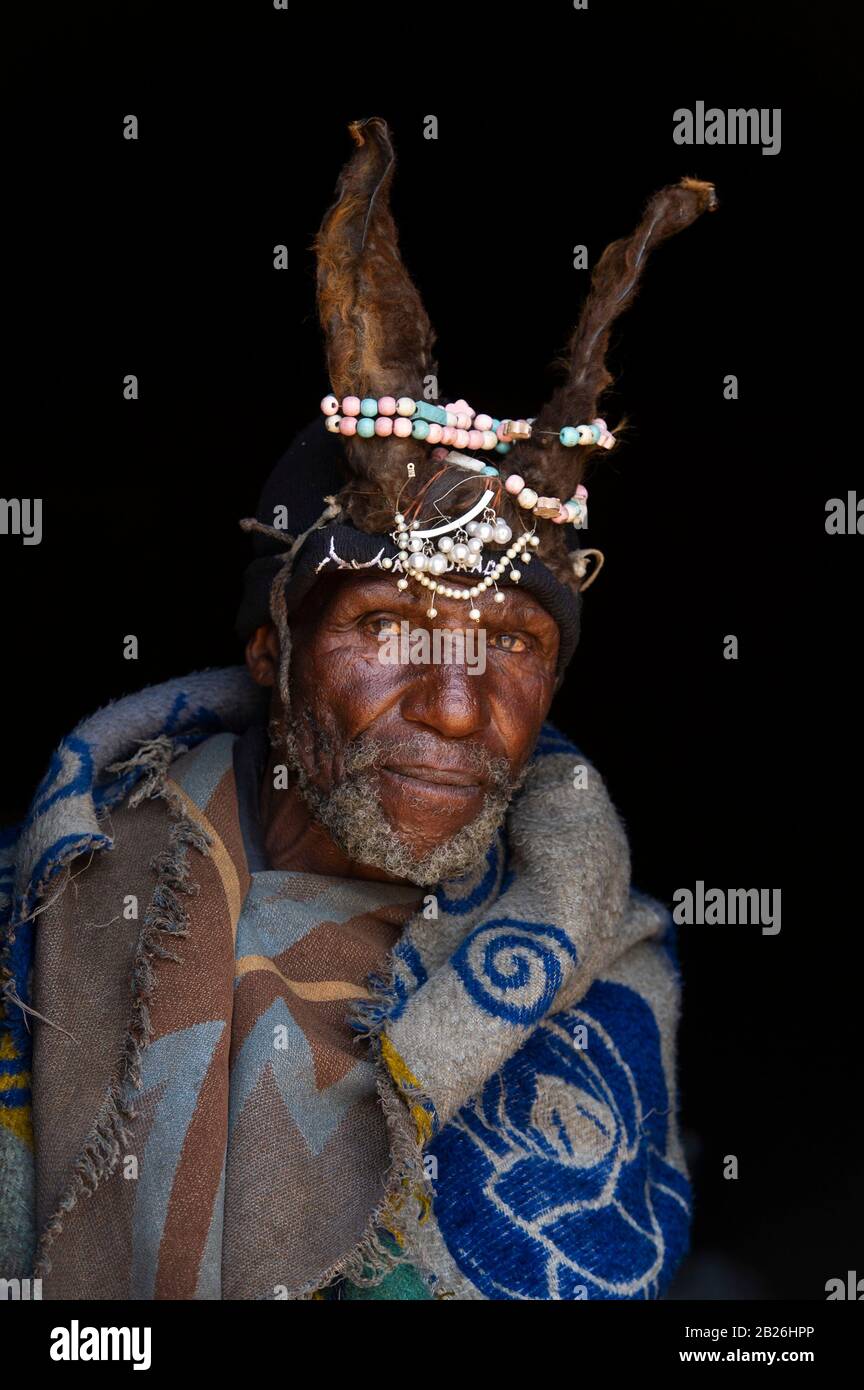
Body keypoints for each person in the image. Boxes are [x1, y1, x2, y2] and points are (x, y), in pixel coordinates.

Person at [0, 117, 716, 1300]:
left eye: (516, 643)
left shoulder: (598, 975)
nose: (454, 706)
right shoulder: (54, 903)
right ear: (273, 649)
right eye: (388, 627)